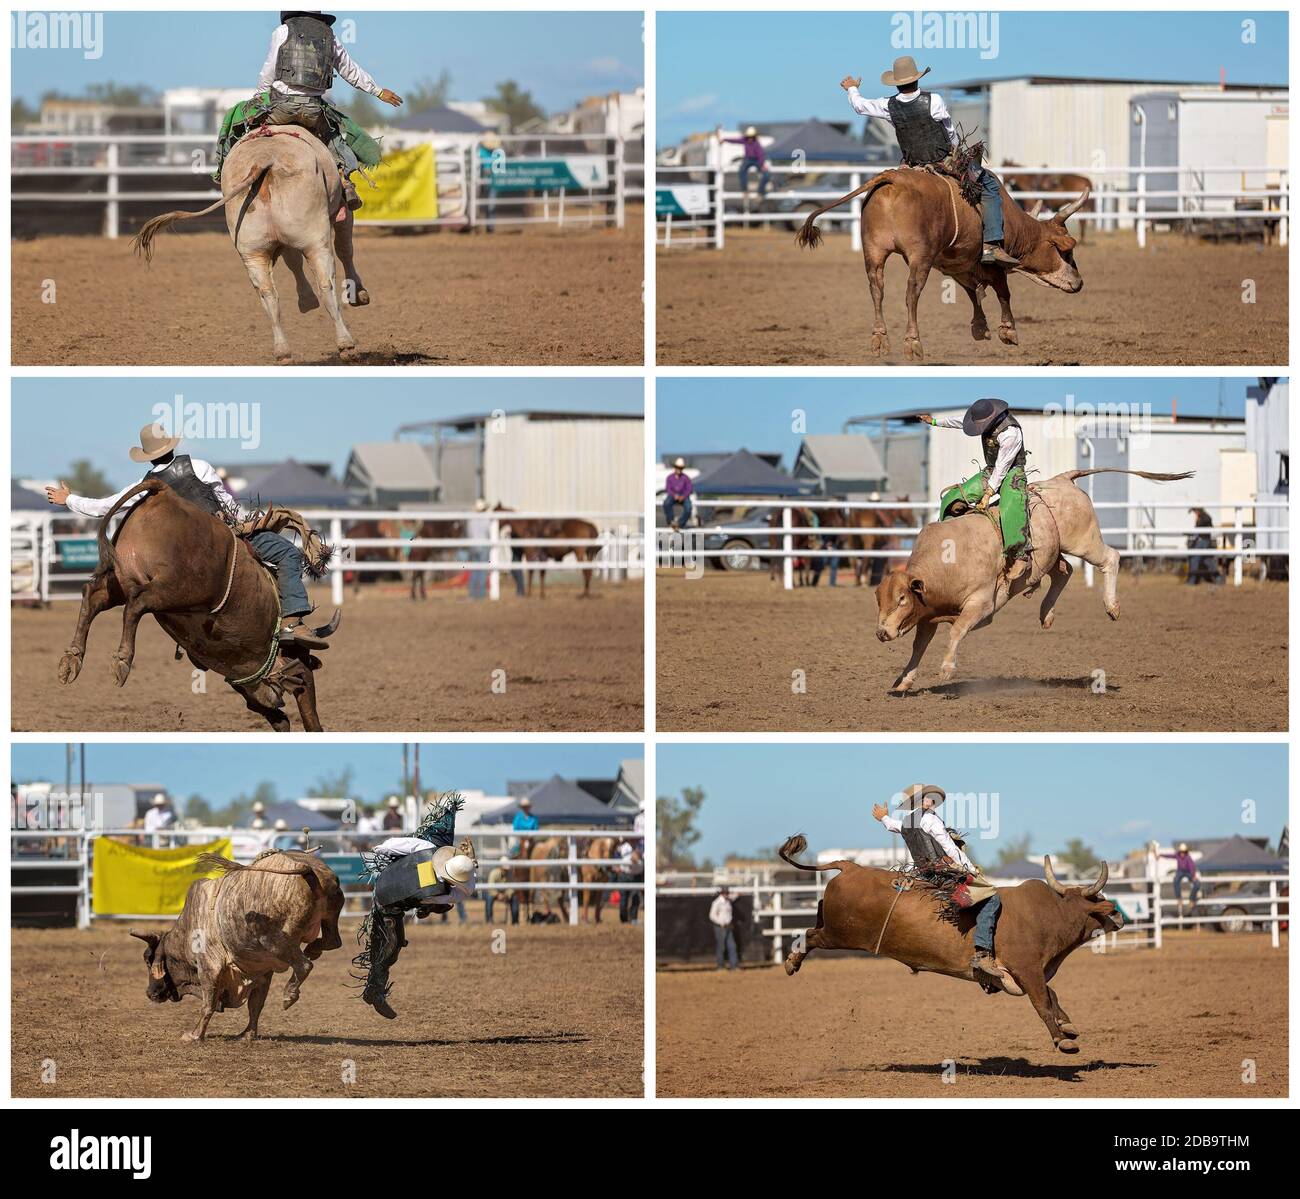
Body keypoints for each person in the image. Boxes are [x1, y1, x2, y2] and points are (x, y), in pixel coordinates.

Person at [45, 422, 329, 649]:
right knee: (287, 553)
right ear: (170, 446)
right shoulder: (199, 467)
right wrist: (250, 523)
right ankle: (291, 621)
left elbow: (105, 506)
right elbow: (228, 507)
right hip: (224, 534)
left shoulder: (146, 486)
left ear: (147, 455)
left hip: (185, 555)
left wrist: (68, 499)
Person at [213, 11, 404, 217]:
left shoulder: (283, 31)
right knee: (336, 136)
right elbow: (349, 70)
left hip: (280, 109)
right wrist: (377, 90)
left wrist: (260, 97)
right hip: (314, 111)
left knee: (237, 119)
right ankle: (344, 179)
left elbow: (269, 70)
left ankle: (224, 172)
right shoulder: (329, 35)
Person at [840, 56, 1017, 267]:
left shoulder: (888, 105)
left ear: (896, 83)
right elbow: (950, 132)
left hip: (912, 165)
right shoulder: (934, 100)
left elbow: (860, 106)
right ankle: (991, 246)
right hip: (942, 161)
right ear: (917, 79)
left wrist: (852, 88)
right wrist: (957, 151)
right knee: (987, 184)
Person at [873, 783, 1016, 992]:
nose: (930, 800)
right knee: (991, 899)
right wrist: (970, 869)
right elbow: (948, 846)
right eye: (925, 797)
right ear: (917, 802)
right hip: (944, 873)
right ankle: (983, 955)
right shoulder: (930, 819)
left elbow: (893, 826)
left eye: (930, 797)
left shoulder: (907, 820)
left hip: (924, 875)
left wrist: (883, 817)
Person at [354, 793, 476, 1018]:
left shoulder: (453, 891)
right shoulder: (423, 848)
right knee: (390, 946)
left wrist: (426, 905)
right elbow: (387, 846)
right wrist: (393, 866)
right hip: (389, 898)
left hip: (398, 900)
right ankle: (374, 991)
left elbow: (437, 901)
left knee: (393, 945)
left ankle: (374, 990)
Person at [920, 398, 1032, 582]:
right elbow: (957, 421)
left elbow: (1002, 467)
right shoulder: (987, 421)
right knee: (952, 497)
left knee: (1011, 509)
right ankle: (948, 543)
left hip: (1012, 472)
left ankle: (1019, 554)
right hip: (990, 470)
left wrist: (988, 494)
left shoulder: (1011, 432)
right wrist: (933, 421)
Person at [718, 125, 771, 198]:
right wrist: (724, 140)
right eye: (749, 136)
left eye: (752, 136)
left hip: (756, 160)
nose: (750, 138)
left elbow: (761, 155)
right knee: (741, 171)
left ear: (754, 136)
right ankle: (745, 190)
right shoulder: (745, 140)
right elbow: (734, 140)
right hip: (748, 159)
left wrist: (762, 165)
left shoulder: (757, 144)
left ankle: (760, 191)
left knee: (766, 175)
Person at [1186, 508, 1223, 585]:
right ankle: (1218, 579)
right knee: (1207, 560)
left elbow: (1202, 526)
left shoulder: (1205, 517)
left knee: (1194, 559)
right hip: (1204, 541)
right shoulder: (1203, 517)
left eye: (1195, 511)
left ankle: (1192, 581)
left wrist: (1198, 520)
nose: (1195, 513)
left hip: (1204, 541)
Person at [1162, 842, 1201, 910]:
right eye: (1181, 852)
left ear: (1186, 852)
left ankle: (1192, 899)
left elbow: (1192, 866)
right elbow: (1169, 856)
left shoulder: (1188, 858)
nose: (1182, 853)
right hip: (1180, 871)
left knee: (1197, 884)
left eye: (1183, 852)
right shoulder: (1178, 855)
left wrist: (1193, 875)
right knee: (1176, 880)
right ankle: (1179, 898)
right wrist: (1160, 855)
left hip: (1188, 872)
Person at [466, 499, 492, 600]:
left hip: (473, 546)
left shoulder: (471, 519)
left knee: (474, 570)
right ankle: (481, 594)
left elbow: (469, 533)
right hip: (483, 545)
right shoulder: (487, 518)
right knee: (482, 570)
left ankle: (472, 593)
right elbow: (489, 532)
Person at [709, 887, 740, 970]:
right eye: (725, 893)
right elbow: (712, 915)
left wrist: (738, 893)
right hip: (720, 927)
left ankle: (734, 966)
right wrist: (720, 922)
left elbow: (735, 896)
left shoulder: (728, 901)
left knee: (732, 946)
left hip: (728, 926)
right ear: (721, 893)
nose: (726, 894)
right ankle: (720, 966)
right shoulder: (717, 903)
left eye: (727, 893)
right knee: (721, 947)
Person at [617, 836, 643, 924]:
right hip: (625, 874)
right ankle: (623, 919)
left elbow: (640, 857)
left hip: (636, 875)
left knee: (636, 897)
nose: (633, 840)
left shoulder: (642, 846)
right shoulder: (624, 847)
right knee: (624, 897)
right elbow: (617, 856)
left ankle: (633, 918)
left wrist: (637, 855)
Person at [663, 458, 694, 529]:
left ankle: (679, 524)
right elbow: (668, 488)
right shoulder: (670, 477)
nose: (679, 469)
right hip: (673, 495)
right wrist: (674, 495)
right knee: (666, 503)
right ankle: (671, 521)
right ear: (675, 468)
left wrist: (683, 496)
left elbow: (689, 489)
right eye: (678, 467)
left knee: (688, 508)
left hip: (683, 496)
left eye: (680, 468)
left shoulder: (686, 478)